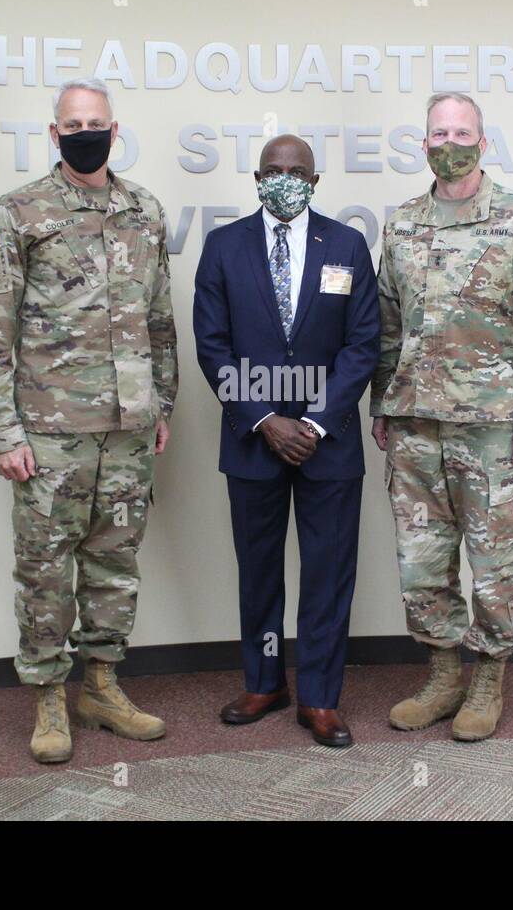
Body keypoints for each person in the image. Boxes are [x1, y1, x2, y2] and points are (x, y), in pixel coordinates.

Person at [0, 77, 177, 763]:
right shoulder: (18, 213)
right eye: (72, 122)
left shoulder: (144, 209)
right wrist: (5, 432)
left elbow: (159, 320)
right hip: (50, 432)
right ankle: (49, 699)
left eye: (97, 121)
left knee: (115, 566)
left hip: (127, 431)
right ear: (55, 134)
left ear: (115, 131)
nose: (85, 131)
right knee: (46, 571)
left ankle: (104, 686)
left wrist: (160, 404)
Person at [372, 92, 513, 741]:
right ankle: (442, 674)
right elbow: (386, 322)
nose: (449, 141)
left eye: (462, 131)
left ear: (483, 143)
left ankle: (487, 675)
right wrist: (382, 403)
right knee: (421, 560)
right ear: (424, 143)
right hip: (413, 424)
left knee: (494, 563)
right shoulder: (402, 223)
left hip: (492, 426)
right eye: (439, 132)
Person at [193, 134, 380, 747]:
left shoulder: (348, 245)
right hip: (253, 439)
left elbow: (362, 344)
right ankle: (265, 680)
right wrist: (264, 418)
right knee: (259, 570)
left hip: (330, 442)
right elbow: (212, 345)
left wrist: (317, 421)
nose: (285, 178)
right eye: (273, 170)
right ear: (255, 177)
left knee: (328, 574)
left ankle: (320, 698)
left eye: (296, 170)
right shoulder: (223, 246)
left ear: (316, 179)